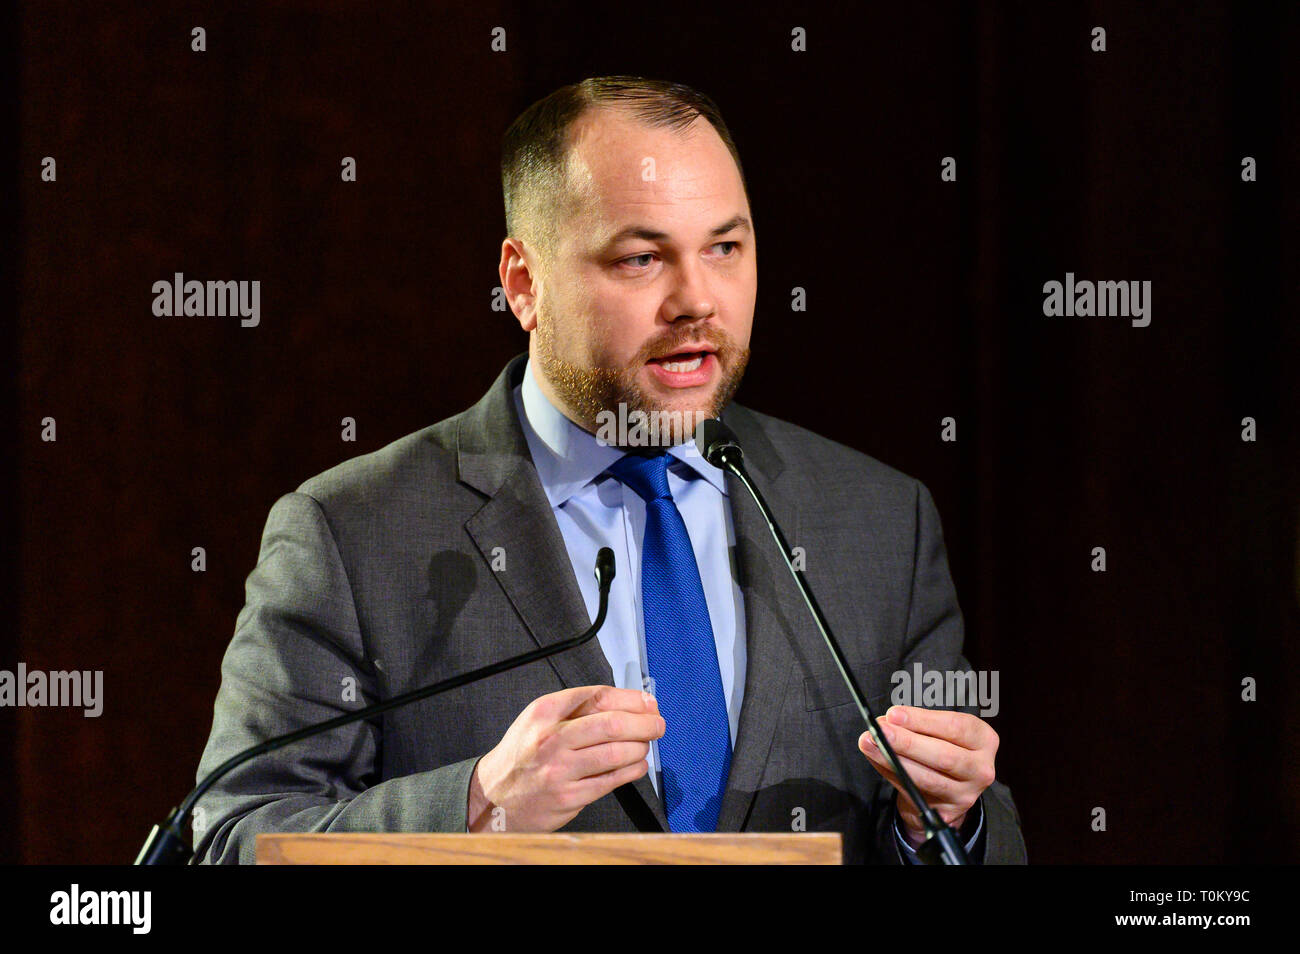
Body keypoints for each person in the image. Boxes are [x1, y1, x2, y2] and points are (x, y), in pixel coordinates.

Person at [193, 76, 1027, 864]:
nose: (698, 299)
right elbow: (233, 839)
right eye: (641, 259)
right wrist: (480, 807)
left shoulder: (878, 520)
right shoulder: (353, 532)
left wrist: (943, 822)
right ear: (524, 284)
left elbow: (979, 842)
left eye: (726, 247)